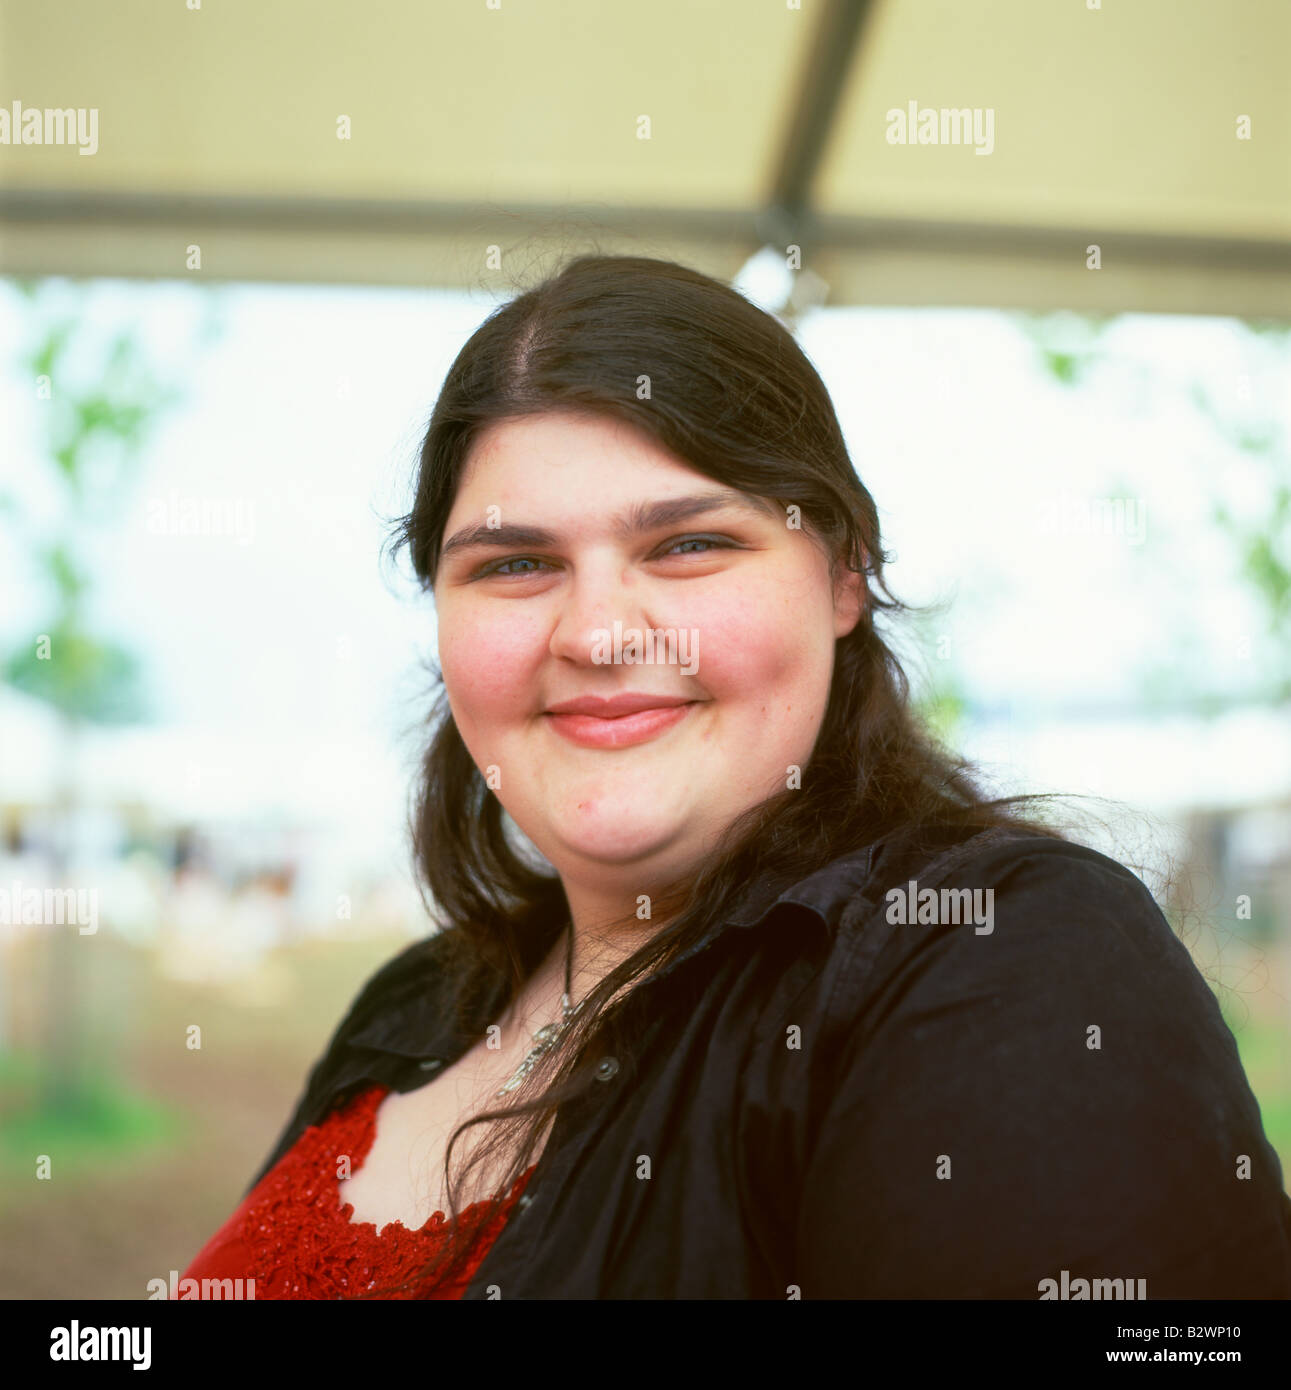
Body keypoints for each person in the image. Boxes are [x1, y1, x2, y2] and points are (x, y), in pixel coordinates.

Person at [182, 254, 1291, 1300]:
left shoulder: (1001, 954)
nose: (600, 631)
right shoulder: (413, 1001)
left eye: (689, 544)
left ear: (844, 573)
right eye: (516, 563)